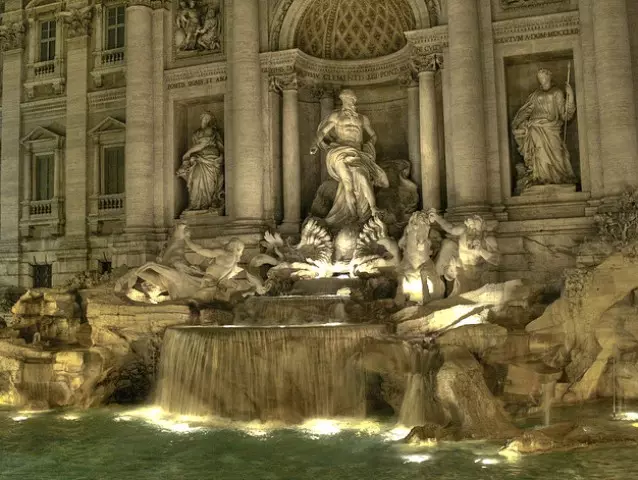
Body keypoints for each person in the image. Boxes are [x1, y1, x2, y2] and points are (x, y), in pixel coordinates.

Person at [310, 89, 388, 227]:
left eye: (351, 99)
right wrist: (315, 144)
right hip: (339, 152)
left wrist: (369, 144)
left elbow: (373, 136)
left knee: (362, 176)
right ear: (343, 100)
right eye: (347, 99)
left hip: (358, 153)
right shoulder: (336, 116)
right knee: (347, 183)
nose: (350, 101)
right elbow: (322, 132)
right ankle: (352, 216)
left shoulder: (362, 119)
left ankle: (373, 208)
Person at [512, 68, 576, 187]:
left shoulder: (557, 92)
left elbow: (565, 114)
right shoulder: (535, 95)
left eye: (544, 76)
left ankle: (559, 178)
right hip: (535, 127)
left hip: (552, 128)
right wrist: (516, 122)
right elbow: (526, 111)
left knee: (557, 154)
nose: (542, 79)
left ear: (549, 77)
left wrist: (570, 95)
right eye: (540, 77)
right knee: (539, 152)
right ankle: (540, 177)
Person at [430, 213, 500, 294]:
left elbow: (497, 260)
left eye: (476, 229)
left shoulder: (488, 239)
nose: (473, 230)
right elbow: (450, 228)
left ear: (482, 228)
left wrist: (481, 251)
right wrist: (437, 218)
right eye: (471, 227)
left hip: (479, 275)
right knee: (457, 297)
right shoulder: (463, 231)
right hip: (462, 271)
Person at [177, 112, 224, 211]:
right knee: (195, 179)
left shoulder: (210, 130)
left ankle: (206, 204)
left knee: (206, 182)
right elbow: (197, 146)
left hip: (210, 159)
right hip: (199, 158)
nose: (206, 120)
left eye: (208, 119)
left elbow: (203, 145)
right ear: (201, 118)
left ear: (211, 120)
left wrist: (187, 153)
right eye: (204, 118)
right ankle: (195, 205)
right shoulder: (197, 132)